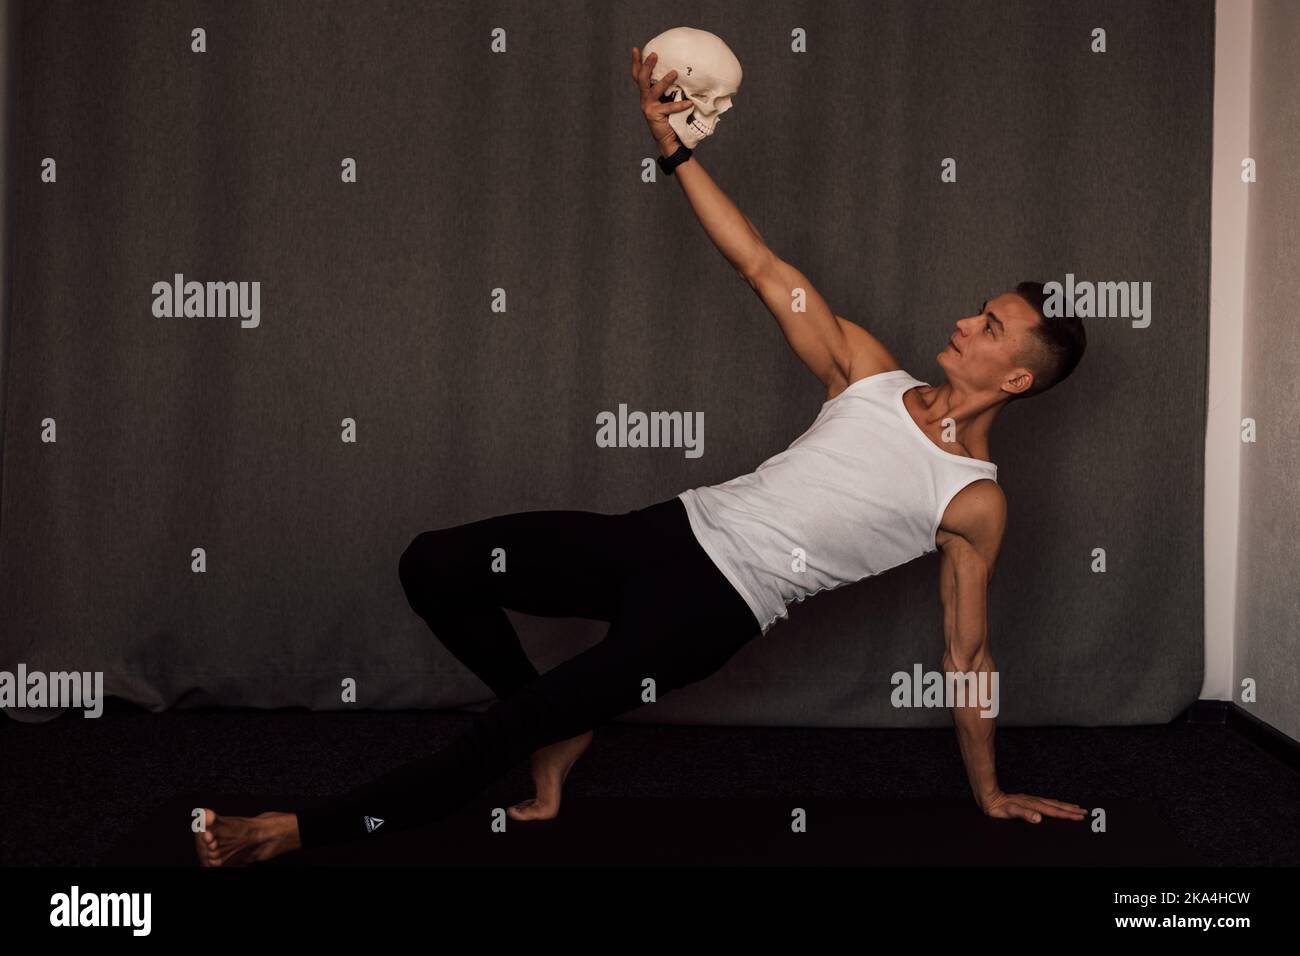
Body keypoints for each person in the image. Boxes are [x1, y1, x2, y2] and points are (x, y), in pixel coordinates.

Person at [193, 47, 1088, 866]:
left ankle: (288, 832)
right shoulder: (868, 371)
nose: (967, 322)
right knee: (435, 564)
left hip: (711, 612)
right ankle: (549, 723)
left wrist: (990, 790)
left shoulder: (972, 500)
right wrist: (673, 145)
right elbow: (761, 265)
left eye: (991, 327)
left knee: (496, 740)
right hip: (664, 534)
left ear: (1014, 378)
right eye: (980, 309)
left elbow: (968, 657)